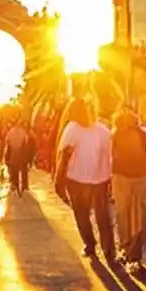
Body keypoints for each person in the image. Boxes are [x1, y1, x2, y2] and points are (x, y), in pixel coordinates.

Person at [54, 98, 115, 261]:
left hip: (77, 178)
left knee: (81, 214)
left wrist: (58, 180)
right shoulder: (103, 130)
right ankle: (109, 250)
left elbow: (63, 155)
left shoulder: (72, 128)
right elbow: (110, 156)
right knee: (103, 216)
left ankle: (90, 245)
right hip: (100, 178)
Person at [111, 108, 146, 273]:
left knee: (123, 213)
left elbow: (112, 155)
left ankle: (125, 247)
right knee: (145, 212)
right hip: (139, 177)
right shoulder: (141, 134)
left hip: (122, 176)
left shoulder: (117, 135)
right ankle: (134, 249)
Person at [5, 117, 33, 195]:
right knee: (23, 170)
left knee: (15, 170)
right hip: (21, 153)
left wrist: (7, 157)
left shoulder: (10, 132)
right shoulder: (23, 132)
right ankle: (24, 186)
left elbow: (8, 143)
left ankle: (15, 185)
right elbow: (26, 143)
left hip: (13, 153)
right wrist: (28, 157)